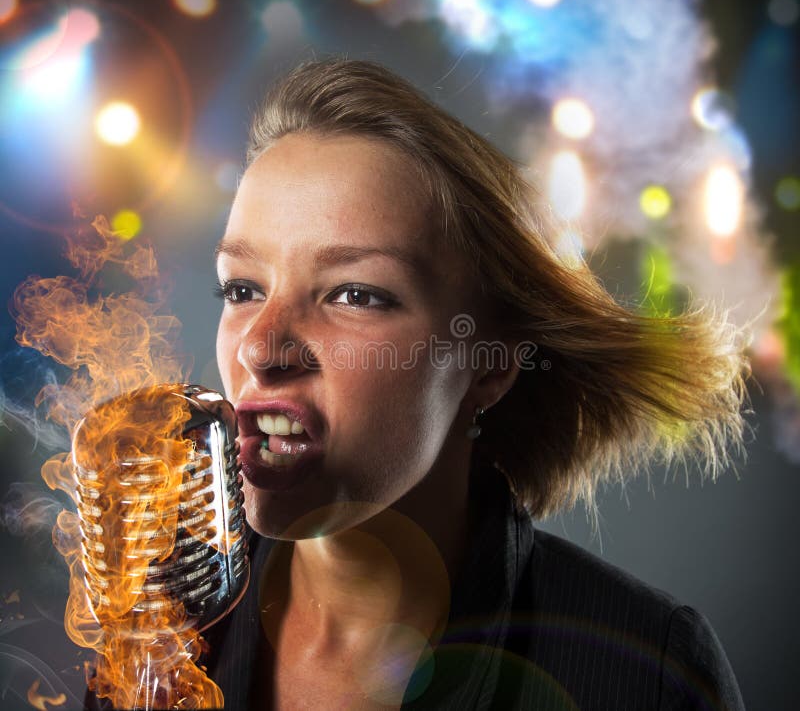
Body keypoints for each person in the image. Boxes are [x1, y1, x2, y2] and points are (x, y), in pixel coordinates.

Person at [92, 58, 749, 710]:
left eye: (354, 293)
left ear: (489, 361)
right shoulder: (157, 627)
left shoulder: (644, 672)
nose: (261, 348)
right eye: (243, 288)